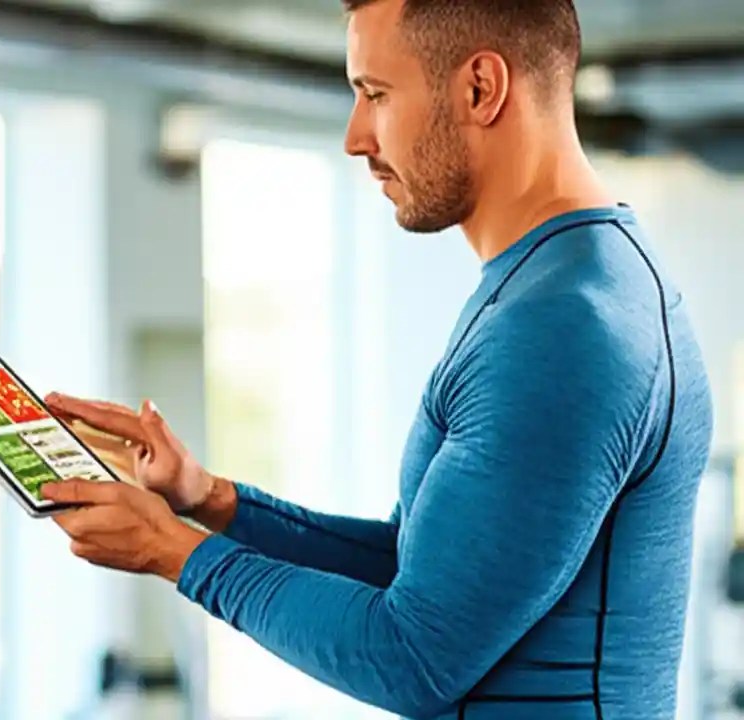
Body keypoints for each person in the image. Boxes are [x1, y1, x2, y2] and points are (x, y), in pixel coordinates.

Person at [37, 1, 715, 718]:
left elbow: (413, 658)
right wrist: (206, 500)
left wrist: (171, 551)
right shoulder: (566, 283)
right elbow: (416, 571)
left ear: (480, 88)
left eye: (375, 94)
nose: (355, 138)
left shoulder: (562, 326)